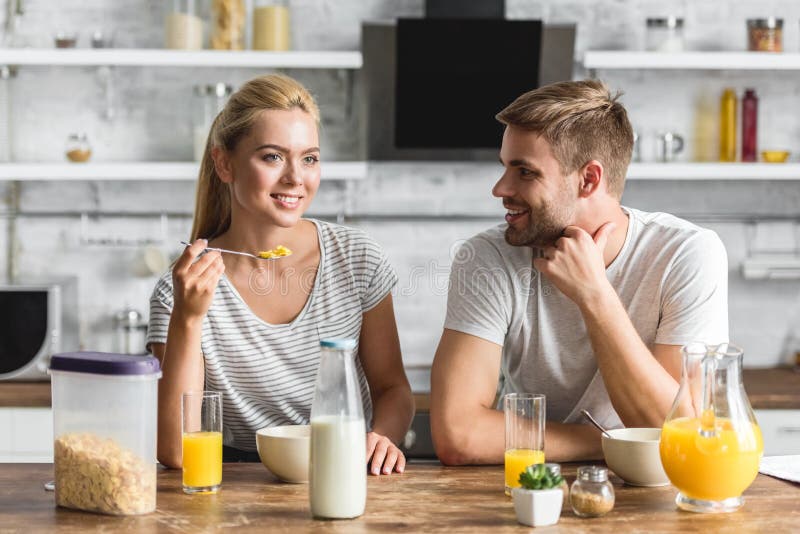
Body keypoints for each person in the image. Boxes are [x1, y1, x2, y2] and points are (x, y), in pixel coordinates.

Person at [430, 80, 728, 464]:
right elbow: (458, 435)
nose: (500, 188)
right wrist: (609, 442)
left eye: (524, 172)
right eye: (505, 166)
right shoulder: (487, 257)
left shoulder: (686, 254)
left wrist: (594, 295)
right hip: (527, 490)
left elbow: (683, 432)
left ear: (588, 179)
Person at [148, 74, 414, 475]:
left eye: (309, 158)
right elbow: (176, 451)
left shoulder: (358, 260)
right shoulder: (181, 289)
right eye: (272, 157)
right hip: (233, 484)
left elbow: (393, 389)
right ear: (224, 163)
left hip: (343, 467)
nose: (295, 178)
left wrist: (382, 438)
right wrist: (188, 317)